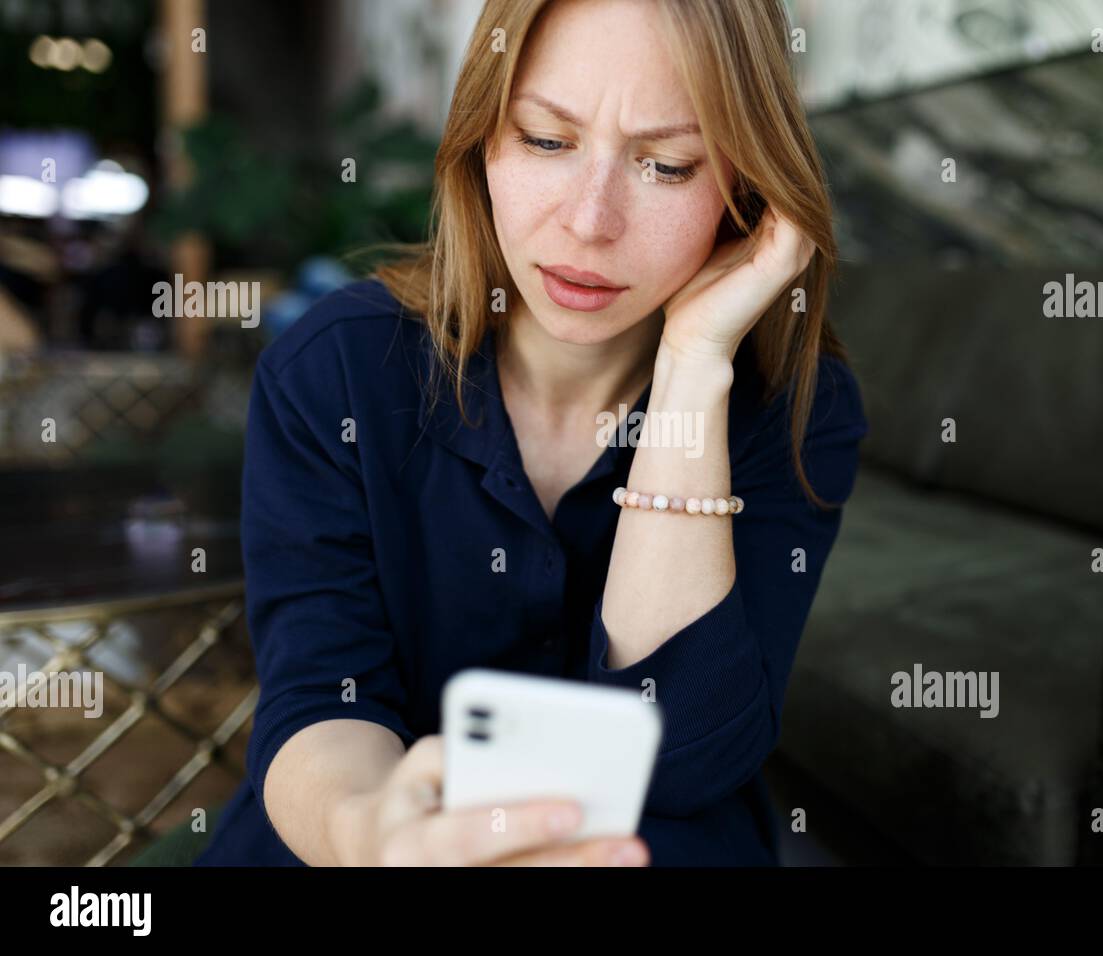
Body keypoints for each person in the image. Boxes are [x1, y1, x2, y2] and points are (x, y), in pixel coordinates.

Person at [195, 0, 867, 867]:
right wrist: (377, 835)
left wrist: (693, 368)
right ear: (483, 141)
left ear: (746, 186)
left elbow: (684, 757)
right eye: (547, 141)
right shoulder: (336, 371)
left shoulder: (797, 407)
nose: (590, 221)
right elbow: (323, 700)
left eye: (667, 165)